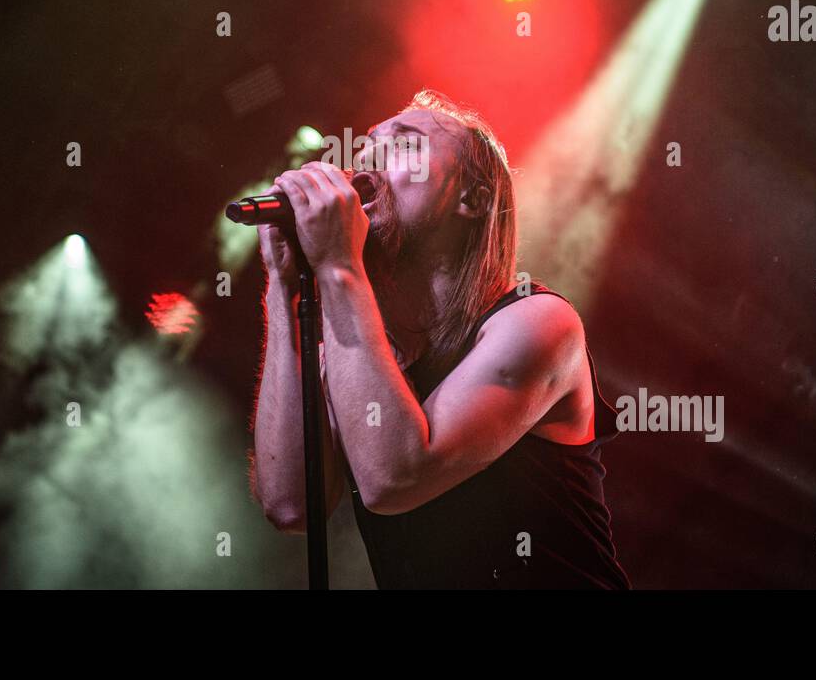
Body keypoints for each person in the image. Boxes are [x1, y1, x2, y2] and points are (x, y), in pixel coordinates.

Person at [248, 89, 630, 589]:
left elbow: (395, 478)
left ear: (471, 199)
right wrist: (283, 289)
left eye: (403, 147)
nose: (368, 164)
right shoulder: (348, 354)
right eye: (365, 152)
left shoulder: (538, 324)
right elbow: (290, 504)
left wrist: (338, 267)